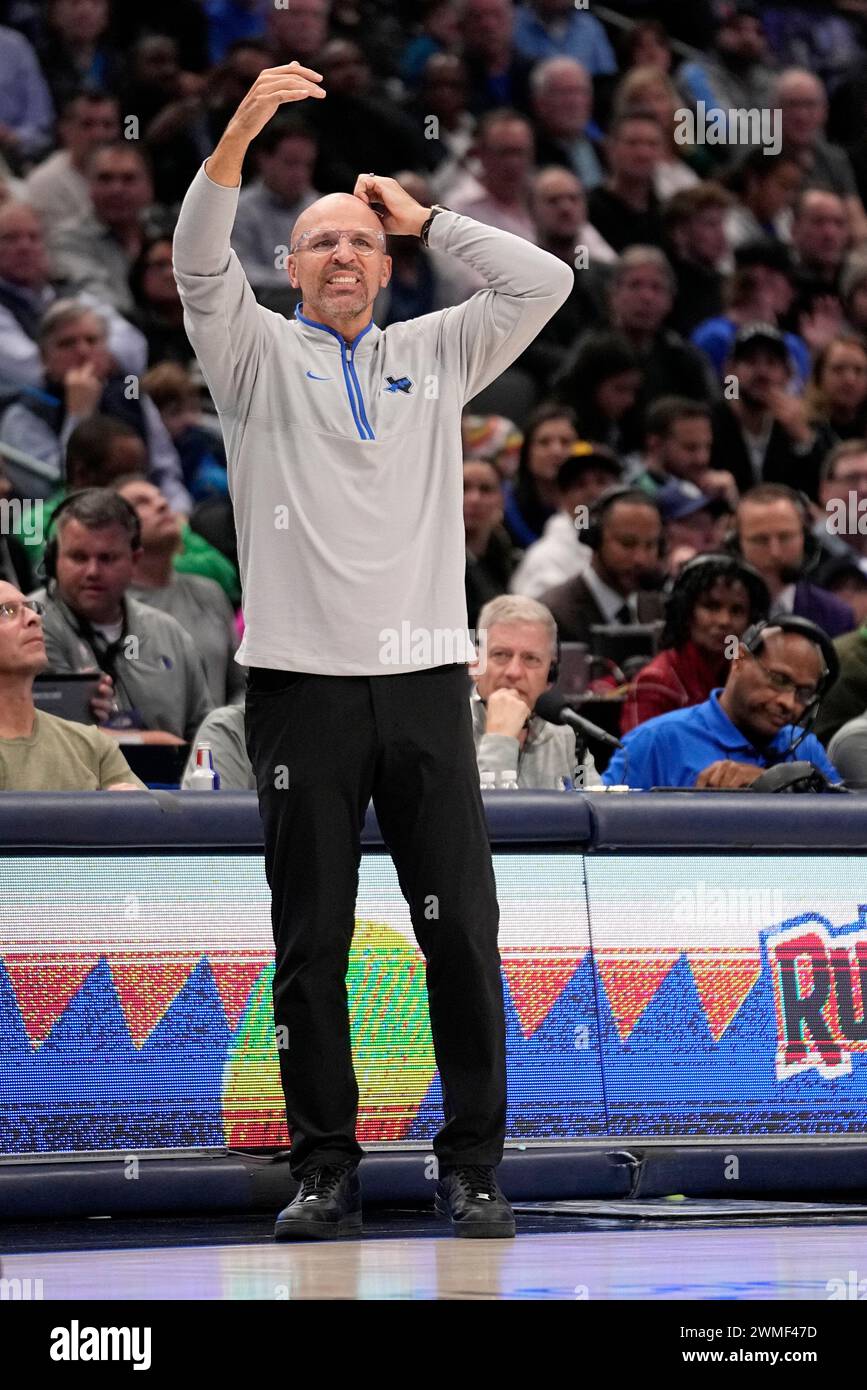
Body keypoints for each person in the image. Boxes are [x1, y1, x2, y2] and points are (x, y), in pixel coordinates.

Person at [172, 58, 574, 1241]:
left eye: (359, 242)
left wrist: (429, 212)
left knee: (462, 934)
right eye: (318, 245)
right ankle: (326, 1168)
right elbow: (198, 256)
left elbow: (546, 278)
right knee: (313, 946)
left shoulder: (438, 353)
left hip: (421, 682)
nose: (341, 257)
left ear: (388, 264)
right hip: (298, 687)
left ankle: (474, 1168)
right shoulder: (250, 361)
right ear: (286, 270)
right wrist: (246, 124)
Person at [30, 487, 213, 743]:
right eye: (78, 557)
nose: (92, 571)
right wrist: (151, 742)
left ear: (134, 560)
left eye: (107, 558)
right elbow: (36, 733)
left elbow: (202, 732)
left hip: (169, 781)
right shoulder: (26, 624)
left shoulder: (168, 633)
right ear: (53, 559)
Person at [603, 616, 842, 789]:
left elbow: (848, 834)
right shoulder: (655, 742)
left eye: (804, 692)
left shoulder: (805, 749)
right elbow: (604, 838)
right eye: (779, 680)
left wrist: (768, 781)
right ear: (738, 660)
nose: (789, 702)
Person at [0, 298, 191, 511]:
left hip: (148, 511)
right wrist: (79, 415)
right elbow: (52, 488)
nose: (82, 351)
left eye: (92, 340)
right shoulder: (24, 413)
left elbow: (164, 469)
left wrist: (178, 511)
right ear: (45, 358)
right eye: (67, 343)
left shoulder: (130, 392)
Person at [0, 579, 145, 791]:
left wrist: (125, 811)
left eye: (32, 608)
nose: (33, 618)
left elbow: (151, 821)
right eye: (8, 611)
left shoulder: (93, 747)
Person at [114, 473, 244, 708]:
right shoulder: (109, 606)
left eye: (161, 497)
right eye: (142, 503)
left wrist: (226, 732)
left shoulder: (209, 592)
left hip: (214, 741)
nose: (163, 505)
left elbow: (241, 686)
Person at [621, 552, 769, 733]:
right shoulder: (657, 682)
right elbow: (639, 758)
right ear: (686, 611)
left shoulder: (746, 676)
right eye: (711, 606)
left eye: (737, 610)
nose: (724, 620)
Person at [470, 593, 601, 787]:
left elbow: (592, 807)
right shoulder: (447, 733)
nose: (514, 672)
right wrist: (500, 740)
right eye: (500, 655)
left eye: (530, 659)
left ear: (551, 675)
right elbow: (486, 815)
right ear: (475, 664)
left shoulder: (567, 738)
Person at [709, 324, 826, 500]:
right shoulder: (709, 422)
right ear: (729, 371)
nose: (762, 372)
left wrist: (803, 441)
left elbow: (821, 488)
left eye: (771, 362)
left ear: (787, 374)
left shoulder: (806, 426)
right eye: (750, 361)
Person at [539, 486, 665, 644]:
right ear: (595, 539)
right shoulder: (554, 615)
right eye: (627, 544)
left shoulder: (658, 609)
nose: (640, 559)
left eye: (650, 545)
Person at [734, 484, 854, 638]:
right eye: (760, 540)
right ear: (736, 545)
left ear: (805, 538)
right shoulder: (717, 614)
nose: (775, 552)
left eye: (785, 537)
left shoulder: (836, 614)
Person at [510, 443, 621, 599]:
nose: (593, 492)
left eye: (601, 481)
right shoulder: (545, 558)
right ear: (562, 498)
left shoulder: (630, 547)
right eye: (580, 484)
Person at [230, 115, 319, 299]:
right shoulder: (238, 209)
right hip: (257, 308)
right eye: (291, 163)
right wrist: (297, 282)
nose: (300, 174)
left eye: (307, 165)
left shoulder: (322, 209)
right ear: (263, 160)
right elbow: (238, 271)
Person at [23, 89, 120, 233]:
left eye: (107, 125)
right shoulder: (46, 181)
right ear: (65, 129)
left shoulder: (129, 173)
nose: (99, 134)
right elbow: (59, 245)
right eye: (87, 124)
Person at [450, 108, 537, 241]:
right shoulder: (459, 210)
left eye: (519, 152)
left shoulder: (542, 198)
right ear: (481, 154)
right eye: (504, 153)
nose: (513, 163)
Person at [586, 113, 666, 255]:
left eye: (652, 144)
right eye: (633, 143)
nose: (643, 153)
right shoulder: (588, 209)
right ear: (610, 148)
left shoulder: (666, 214)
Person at [501, 402, 578, 547]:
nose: (556, 451)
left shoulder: (586, 506)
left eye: (566, 442)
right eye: (544, 442)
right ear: (527, 453)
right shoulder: (505, 506)